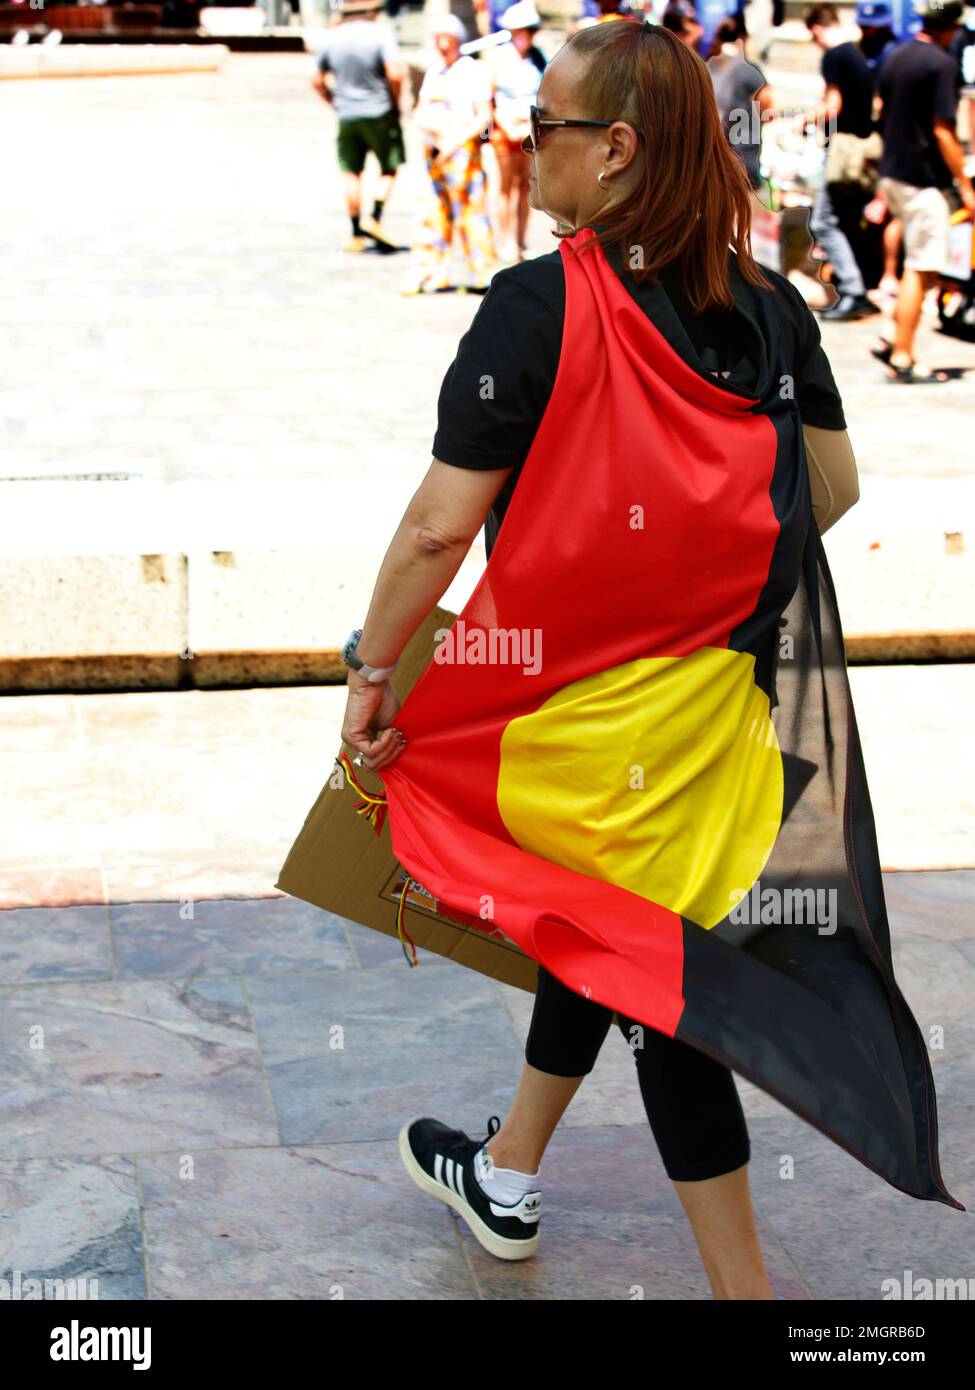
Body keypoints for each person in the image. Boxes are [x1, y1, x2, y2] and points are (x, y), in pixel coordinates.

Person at [337, 23, 892, 1299]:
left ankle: (746, 1294)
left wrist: (375, 672)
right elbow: (832, 489)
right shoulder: (771, 309)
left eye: (547, 129)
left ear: (618, 149)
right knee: (602, 930)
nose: (528, 149)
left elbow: (437, 526)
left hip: (572, 734)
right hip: (716, 726)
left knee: (659, 991)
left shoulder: (537, 305)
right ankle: (510, 1171)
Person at [875, 0, 975, 381]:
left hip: (894, 172)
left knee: (912, 264)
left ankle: (893, 331)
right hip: (921, 180)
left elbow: (881, 107)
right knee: (922, 267)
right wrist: (965, 185)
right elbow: (942, 130)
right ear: (952, 27)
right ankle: (903, 356)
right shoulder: (942, 64)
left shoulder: (897, 55)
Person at [404, 14, 499, 293]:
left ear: (456, 40)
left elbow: (484, 116)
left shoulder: (471, 70)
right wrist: (426, 128)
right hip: (434, 149)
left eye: (445, 38)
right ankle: (429, 272)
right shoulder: (435, 71)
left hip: (462, 152)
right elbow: (420, 107)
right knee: (432, 213)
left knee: (472, 213)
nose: (441, 44)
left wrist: (455, 141)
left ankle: (482, 273)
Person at [804, 3, 882, 320]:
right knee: (848, 220)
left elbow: (833, 106)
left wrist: (799, 120)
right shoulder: (857, 53)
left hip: (843, 153)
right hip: (863, 152)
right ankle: (858, 286)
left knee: (823, 221)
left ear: (817, 29)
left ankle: (853, 290)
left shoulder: (834, 56)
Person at [311, 0, 406, 253]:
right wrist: (396, 103)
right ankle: (373, 218)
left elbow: (316, 79)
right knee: (390, 166)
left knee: (351, 172)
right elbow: (395, 73)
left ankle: (355, 234)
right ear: (371, 11)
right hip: (380, 110)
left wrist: (334, 101)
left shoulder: (332, 37)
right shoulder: (380, 34)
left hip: (347, 115)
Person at [484, 2, 547, 261]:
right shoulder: (497, 57)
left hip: (528, 131)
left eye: (531, 31)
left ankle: (521, 241)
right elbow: (486, 99)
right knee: (503, 188)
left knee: (526, 188)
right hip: (502, 130)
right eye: (522, 30)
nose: (527, 36)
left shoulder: (538, 57)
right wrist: (495, 129)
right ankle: (505, 240)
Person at [706, 16, 775, 198]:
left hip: (713, 163)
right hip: (743, 163)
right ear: (742, 38)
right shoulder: (749, 71)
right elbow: (770, 112)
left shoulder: (707, 68)